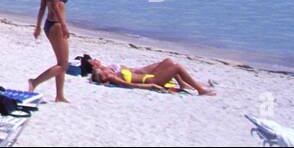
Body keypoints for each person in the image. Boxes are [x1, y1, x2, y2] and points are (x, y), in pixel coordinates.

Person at [29, 0, 72, 102]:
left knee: (61, 61)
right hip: (56, 26)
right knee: (63, 65)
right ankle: (34, 82)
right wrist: (64, 26)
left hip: (50, 24)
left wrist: (38, 27)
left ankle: (59, 95)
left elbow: (42, 7)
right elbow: (53, 6)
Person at [85, 57, 216, 94]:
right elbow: (131, 85)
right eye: (104, 73)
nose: (107, 70)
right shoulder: (113, 78)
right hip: (153, 80)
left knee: (169, 61)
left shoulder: (112, 74)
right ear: (104, 77)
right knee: (176, 67)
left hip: (150, 77)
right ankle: (200, 90)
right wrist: (152, 86)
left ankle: (184, 84)